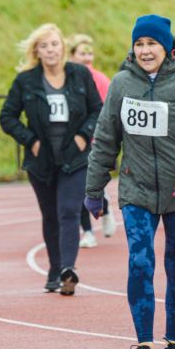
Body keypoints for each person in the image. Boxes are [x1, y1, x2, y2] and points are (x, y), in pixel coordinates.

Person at [86, 14, 175, 349]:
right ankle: (144, 348)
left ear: (168, 48)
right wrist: (93, 188)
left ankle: (173, 346)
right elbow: (105, 139)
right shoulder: (121, 84)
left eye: (152, 44)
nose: (145, 50)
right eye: (140, 44)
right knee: (140, 262)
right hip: (137, 189)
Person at [0, 23, 102, 295]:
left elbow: (97, 110)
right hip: (42, 159)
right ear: (37, 51)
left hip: (75, 156)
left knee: (69, 210)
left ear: (63, 47)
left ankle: (69, 268)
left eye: (54, 44)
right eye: (44, 46)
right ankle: (54, 269)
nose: (50, 50)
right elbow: (7, 117)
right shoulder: (26, 81)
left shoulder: (80, 75)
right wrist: (30, 140)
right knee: (50, 216)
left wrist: (83, 136)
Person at [68, 34, 116, 247]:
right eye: (82, 53)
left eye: (89, 53)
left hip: (96, 140)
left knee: (90, 185)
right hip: (71, 141)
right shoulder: (65, 77)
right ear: (71, 56)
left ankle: (104, 207)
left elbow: (107, 110)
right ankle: (87, 231)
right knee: (78, 187)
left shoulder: (100, 79)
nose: (87, 57)